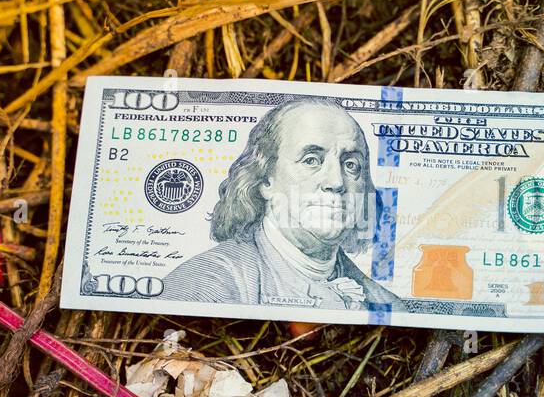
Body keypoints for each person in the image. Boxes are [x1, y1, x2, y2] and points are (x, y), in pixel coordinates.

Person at [162, 98, 405, 311]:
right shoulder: (205, 284)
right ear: (266, 179)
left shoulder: (388, 306)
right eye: (311, 160)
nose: (336, 181)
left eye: (351, 164)